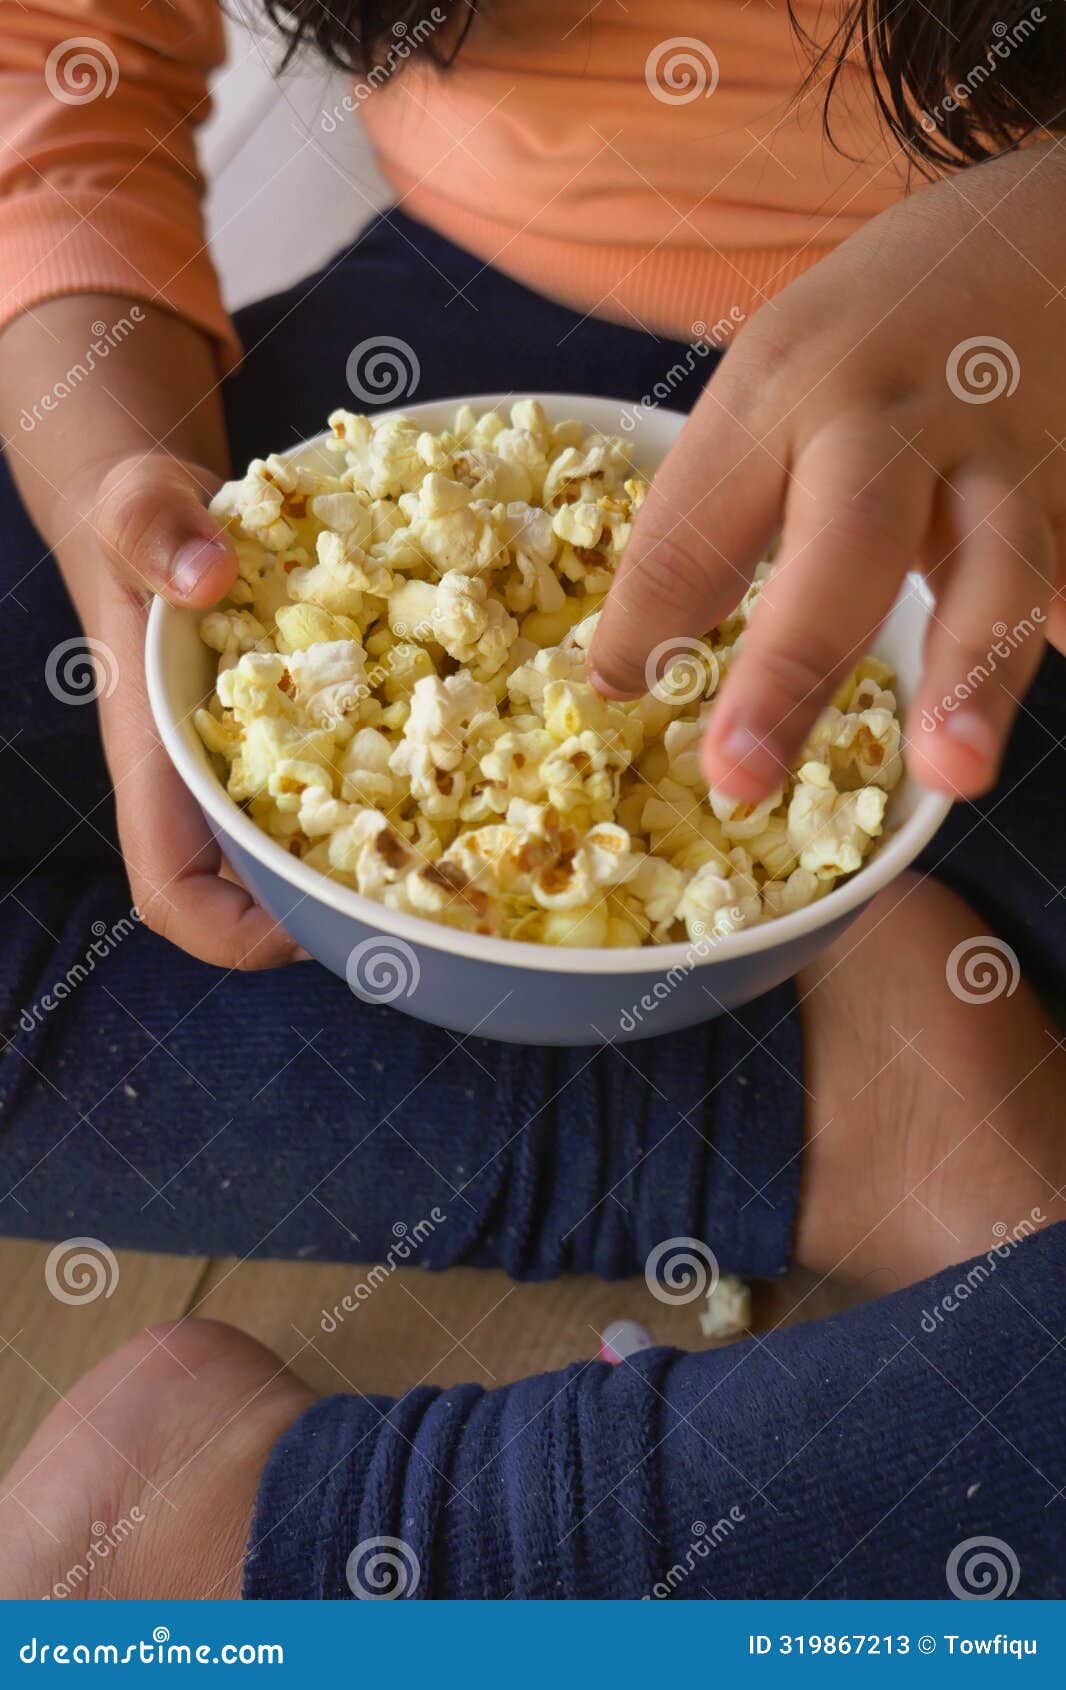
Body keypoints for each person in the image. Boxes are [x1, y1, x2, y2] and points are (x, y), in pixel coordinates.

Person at [0, 0, 1063, 1598]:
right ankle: (804, 1110)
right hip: (504, 364)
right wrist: (110, 511)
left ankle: (373, 1554)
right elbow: (60, 47)